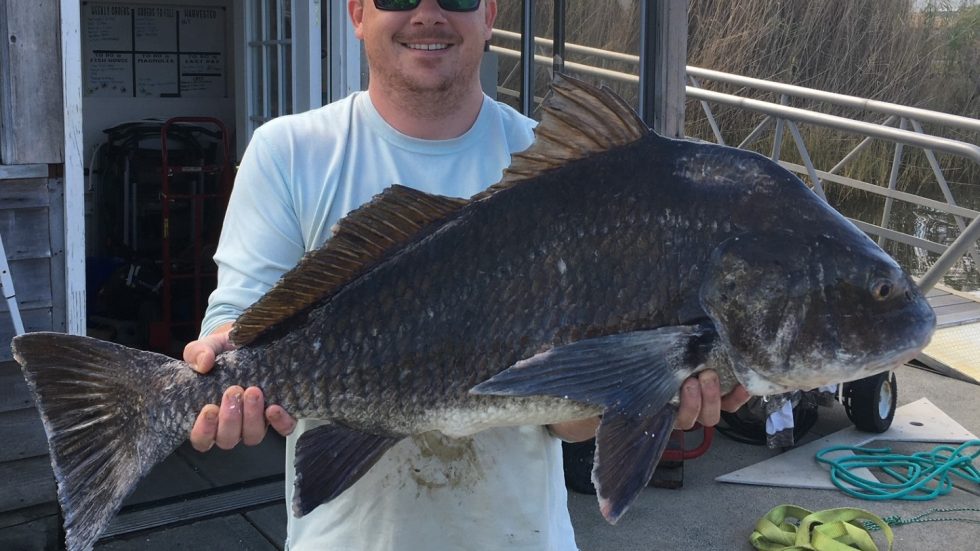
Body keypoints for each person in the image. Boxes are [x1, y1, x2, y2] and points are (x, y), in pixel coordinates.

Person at [182, 1, 751, 549]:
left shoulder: (561, 167)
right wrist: (220, 371)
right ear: (358, 13)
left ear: (490, 16)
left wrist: (646, 394)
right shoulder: (289, 150)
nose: (428, 14)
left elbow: (567, 423)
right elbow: (238, 320)